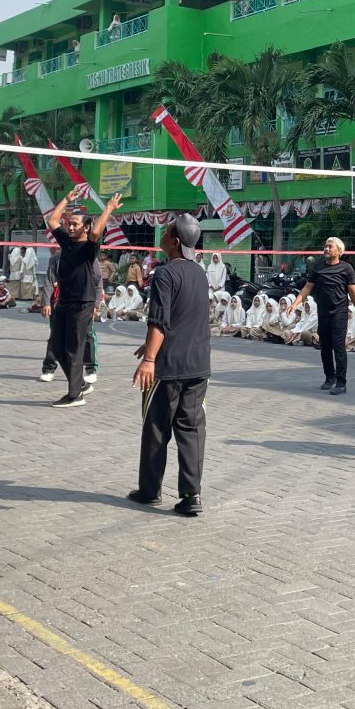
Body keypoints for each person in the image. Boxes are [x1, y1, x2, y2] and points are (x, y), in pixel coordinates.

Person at [129, 214, 212, 515]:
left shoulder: (164, 274)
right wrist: (149, 344)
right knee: (191, 430)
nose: (161, 236)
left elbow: (160, 321)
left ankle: (150, 491)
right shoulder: (199, 273)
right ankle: (192, 497)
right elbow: (186, 317)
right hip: (199, 365)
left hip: (168, 367)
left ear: (175, 241)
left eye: (165, 232)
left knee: (156, 428)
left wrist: (150, 358)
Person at [45, 189, 123, 407]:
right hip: (64, 302)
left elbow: (97, 232)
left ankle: (74, 395)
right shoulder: (66, 242)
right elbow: (52, 221)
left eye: (75, 224)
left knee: (74, 348)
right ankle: (79, 384)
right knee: (57, 347)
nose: (70, 227)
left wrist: (108, 209)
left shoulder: (89, 247)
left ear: (85, 227)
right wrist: (66, 200)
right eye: (69, 223)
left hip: (83, 303)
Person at [283, 236, 355, 396]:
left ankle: (341, 383)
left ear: (339, 251)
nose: (326, 249)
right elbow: (307, 288)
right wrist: (295, 303)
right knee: (325, 346)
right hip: (323, 312)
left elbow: (353, 293)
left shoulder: (347, 269)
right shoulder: (318, 266)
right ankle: (330, 377)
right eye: (326, 246)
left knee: (338, 346)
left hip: (339, 312)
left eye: (330, 247)